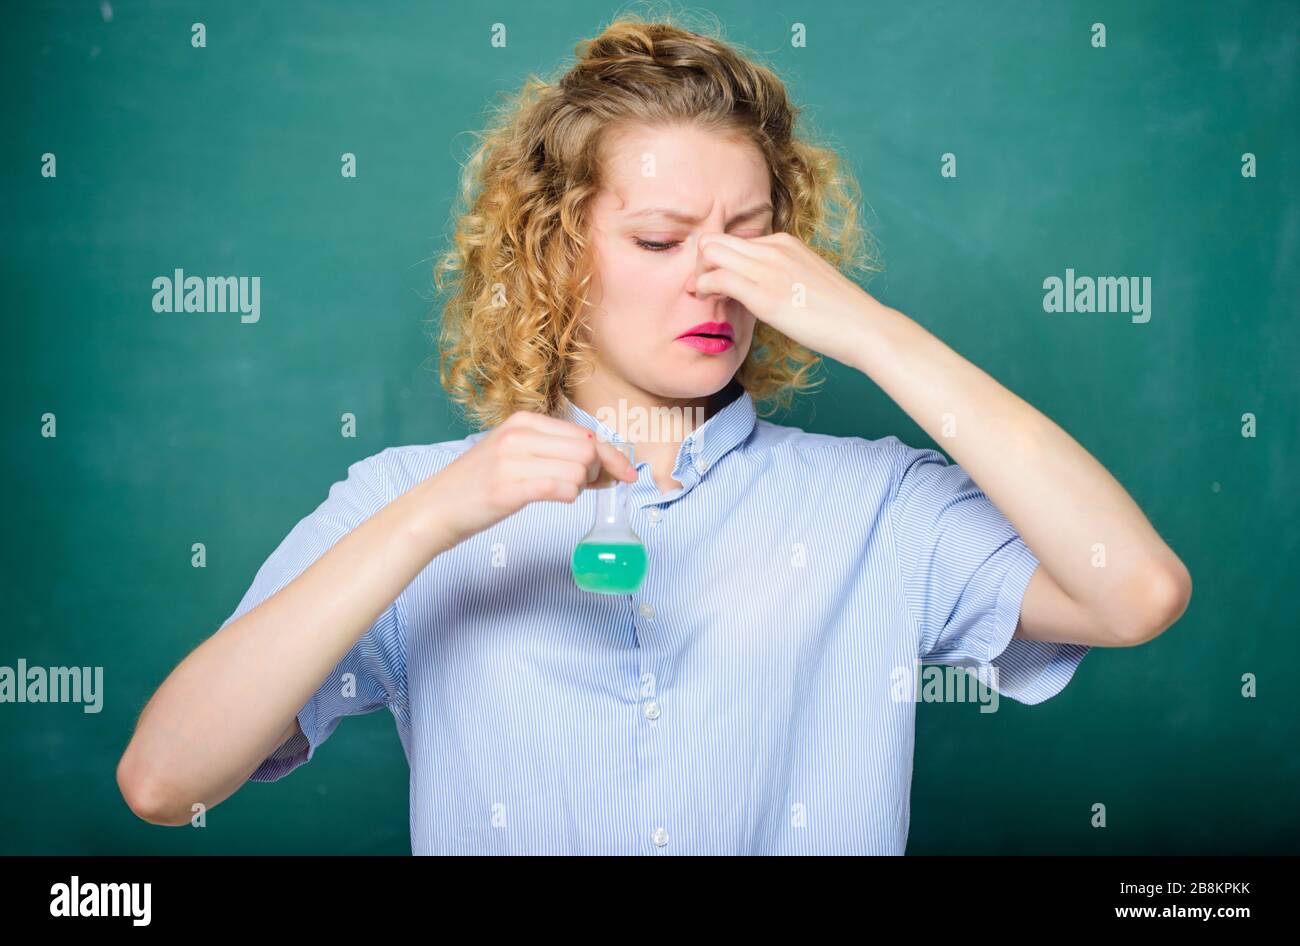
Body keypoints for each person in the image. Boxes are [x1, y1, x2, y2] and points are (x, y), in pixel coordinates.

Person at [116, 16, 1191, 854]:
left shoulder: (879, 507)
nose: (714, 277)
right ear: (553, 252)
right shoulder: (411, 497)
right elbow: (165, 781)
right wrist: (433, 519)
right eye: (661, 237)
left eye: (752, 238)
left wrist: (875, 334)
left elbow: (1134, 592)